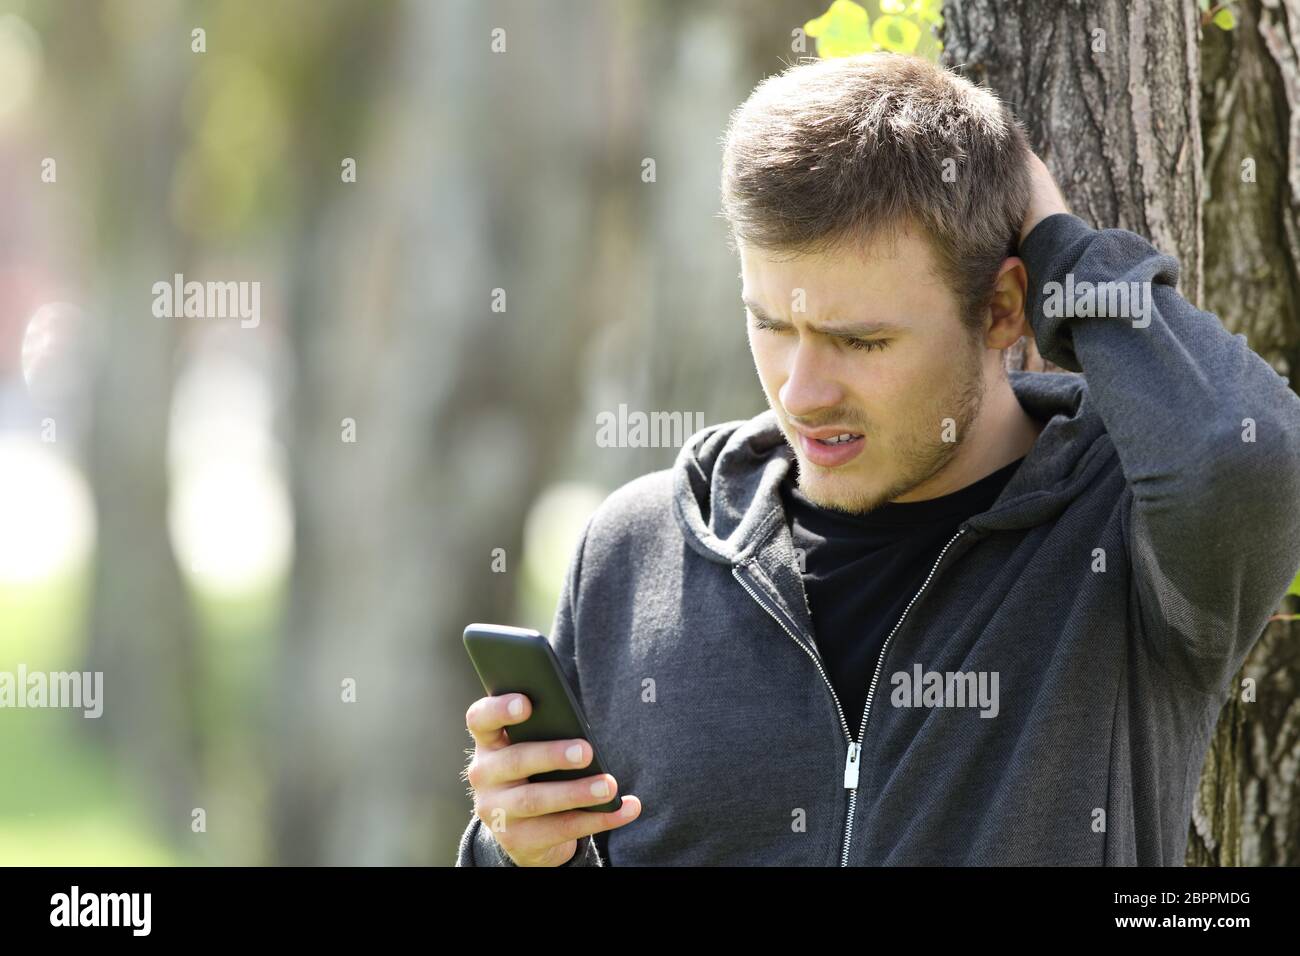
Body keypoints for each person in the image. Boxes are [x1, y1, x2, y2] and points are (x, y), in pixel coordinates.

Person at [456, 52, 1300, 866]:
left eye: (860, 340)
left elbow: (1247, 461)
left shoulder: (1123, 540)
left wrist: (1067, 255)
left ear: (1005, 307)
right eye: (773, 325)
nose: (802, 391)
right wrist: (520, 852)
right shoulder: (635, 551)